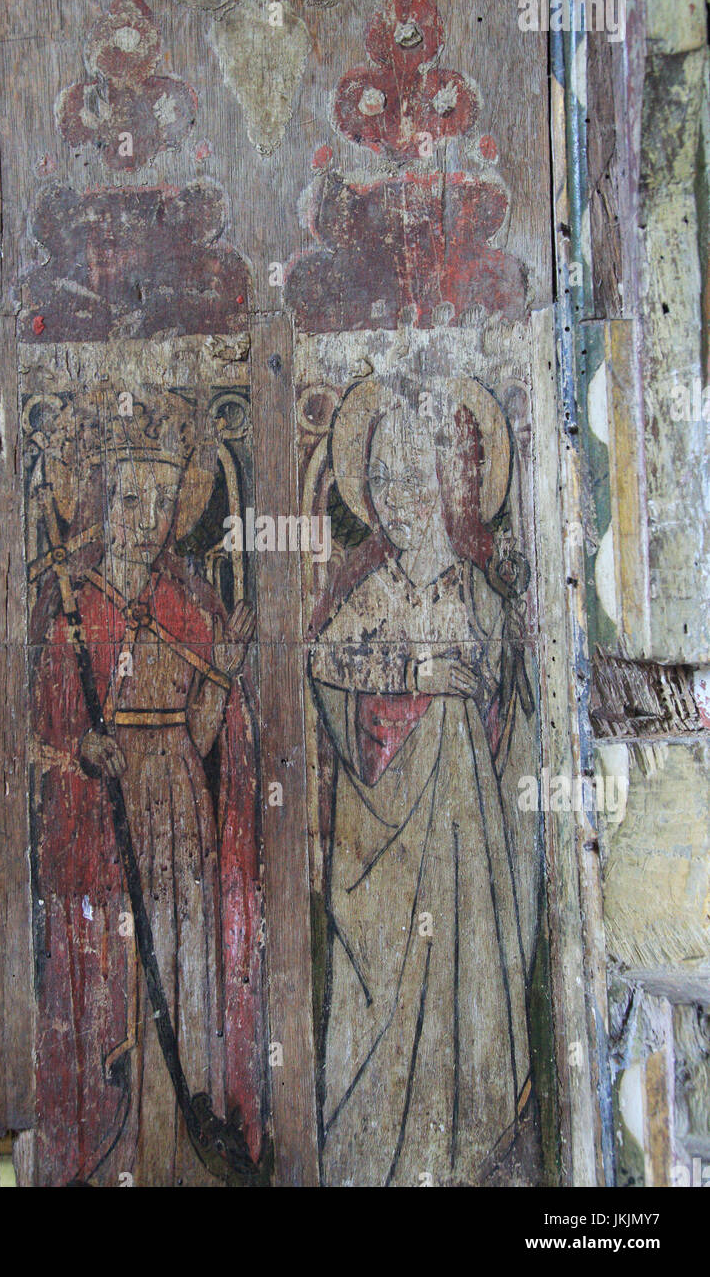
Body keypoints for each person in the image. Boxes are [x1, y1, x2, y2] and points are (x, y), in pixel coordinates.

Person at [30, 396, 261, 1185]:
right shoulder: (72, 598)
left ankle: (171, 1150)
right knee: (112, 973)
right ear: (105, 499)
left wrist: (223, 677)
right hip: (102, 815)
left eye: (164, 505)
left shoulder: (190, 605)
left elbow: (198, 737)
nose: (148, 520)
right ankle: (105, 1152)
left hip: (174, 807)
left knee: (177, 968)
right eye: (132, 499)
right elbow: (44, 731)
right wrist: (85, 750)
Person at [310, 377, 534, 1186]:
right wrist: (423, 669)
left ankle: (470, 1147)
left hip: (464, 838)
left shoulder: (478, 593)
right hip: (382, 844)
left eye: (413, 478)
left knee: (467, 980)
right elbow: (326, 666)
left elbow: (511, 695)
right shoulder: (370, 593)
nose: (397, 499)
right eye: (382, 482)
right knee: (382, 1009)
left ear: (451, 484)